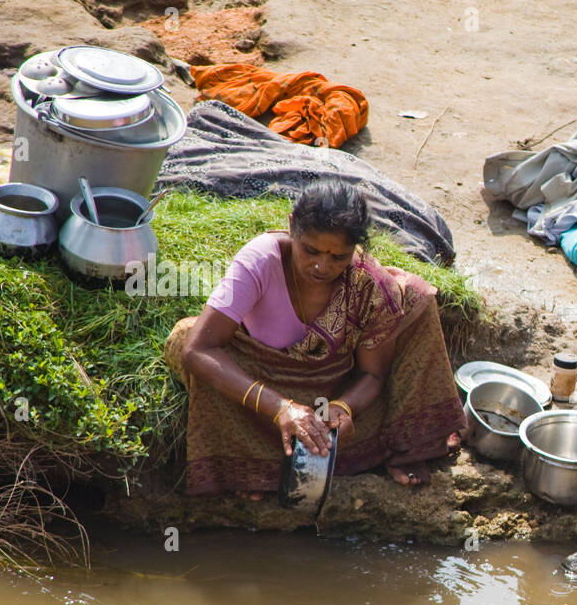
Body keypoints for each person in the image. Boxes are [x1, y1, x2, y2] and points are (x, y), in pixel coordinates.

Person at [164, 180, 466, 498]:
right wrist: (281, 408)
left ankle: (394, 444)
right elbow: (199, 349)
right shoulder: (261, 260)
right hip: (263, 384)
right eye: (310, 251)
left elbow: (373, 374)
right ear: (292, 226)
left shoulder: (367, 285)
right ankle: (251, 465)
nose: (321, 266)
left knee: (416, 297)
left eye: (338, 257)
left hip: (329, 384)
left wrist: (343, 408)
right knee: (186, 338)